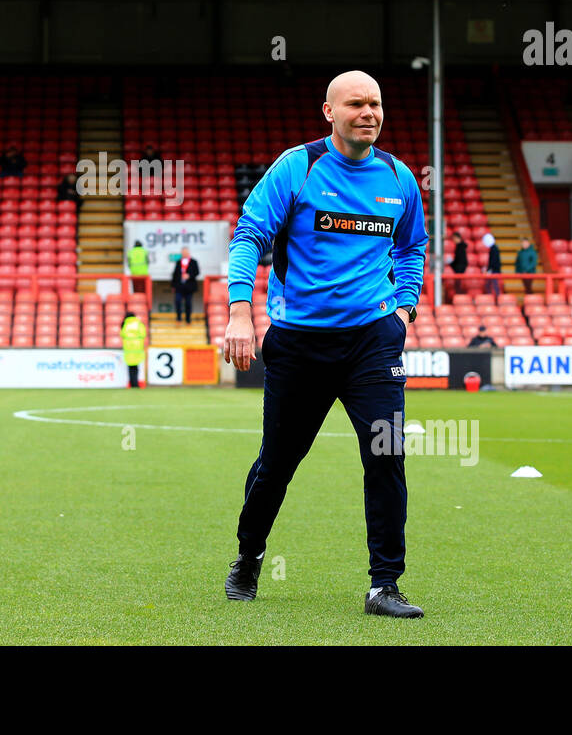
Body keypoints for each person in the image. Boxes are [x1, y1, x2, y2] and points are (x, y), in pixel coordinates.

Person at [222, 70, 428, 619]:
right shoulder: (298, 166)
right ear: (329, 112)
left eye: (377, 104)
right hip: (299, 344)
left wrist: (404, 308)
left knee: (386, 453)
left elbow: (412, 248)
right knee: (279, 462)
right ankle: (248, 556)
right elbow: (250, 235)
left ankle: (384, 584)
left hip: (372, 342)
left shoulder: (399, 177)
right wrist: (240, 312)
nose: (369, 113)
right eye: (357, 104)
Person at [171, 246, 199, 324]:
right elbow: (175, 274)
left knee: (188, 303)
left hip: (189, 287)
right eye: (183, 252)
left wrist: (189, 275)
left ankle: (188, 319)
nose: (184, 253)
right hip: (179, 286)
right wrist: (173, 285)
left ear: (188, 252)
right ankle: (178, 318)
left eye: (186, 252)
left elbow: (197, 272)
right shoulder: (178, 262)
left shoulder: (194, 262)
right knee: (177, 301)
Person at [120, 312, 147, 388]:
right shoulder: (139, 324)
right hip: (137, 348)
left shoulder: (124, 324)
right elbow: (143, 334)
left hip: (128, 349)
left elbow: (122, 334)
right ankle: (136, 384)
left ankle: (132, 383)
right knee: (136, 367)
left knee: (130, 368)